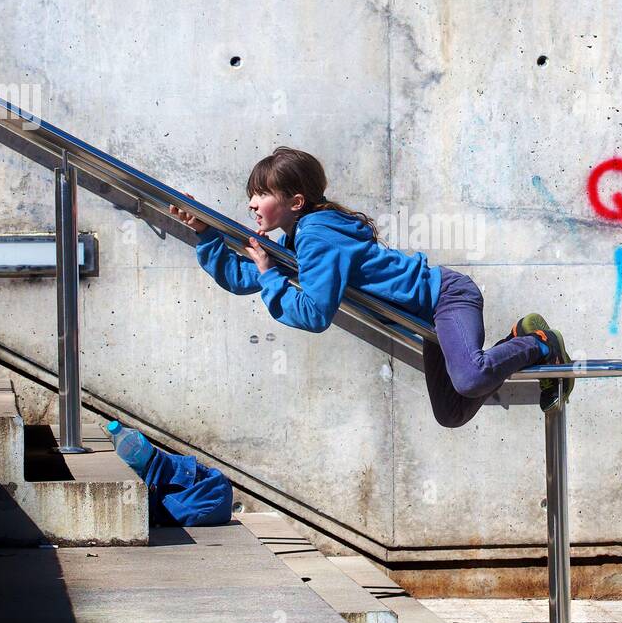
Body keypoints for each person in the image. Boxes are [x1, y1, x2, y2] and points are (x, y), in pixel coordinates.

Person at [170, 146, 573, 426]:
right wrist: (206, 235)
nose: (252, 204)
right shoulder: (298, 239)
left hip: (447, 298)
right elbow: (249, 277)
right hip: (425, 321)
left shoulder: (317, 236)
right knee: (452, 412)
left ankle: (539, 342)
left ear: (295, 201)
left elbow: (313, 314)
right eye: (251, 195)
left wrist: (270, 274)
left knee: (469, 379)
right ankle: (518, 339)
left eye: (261, 194)